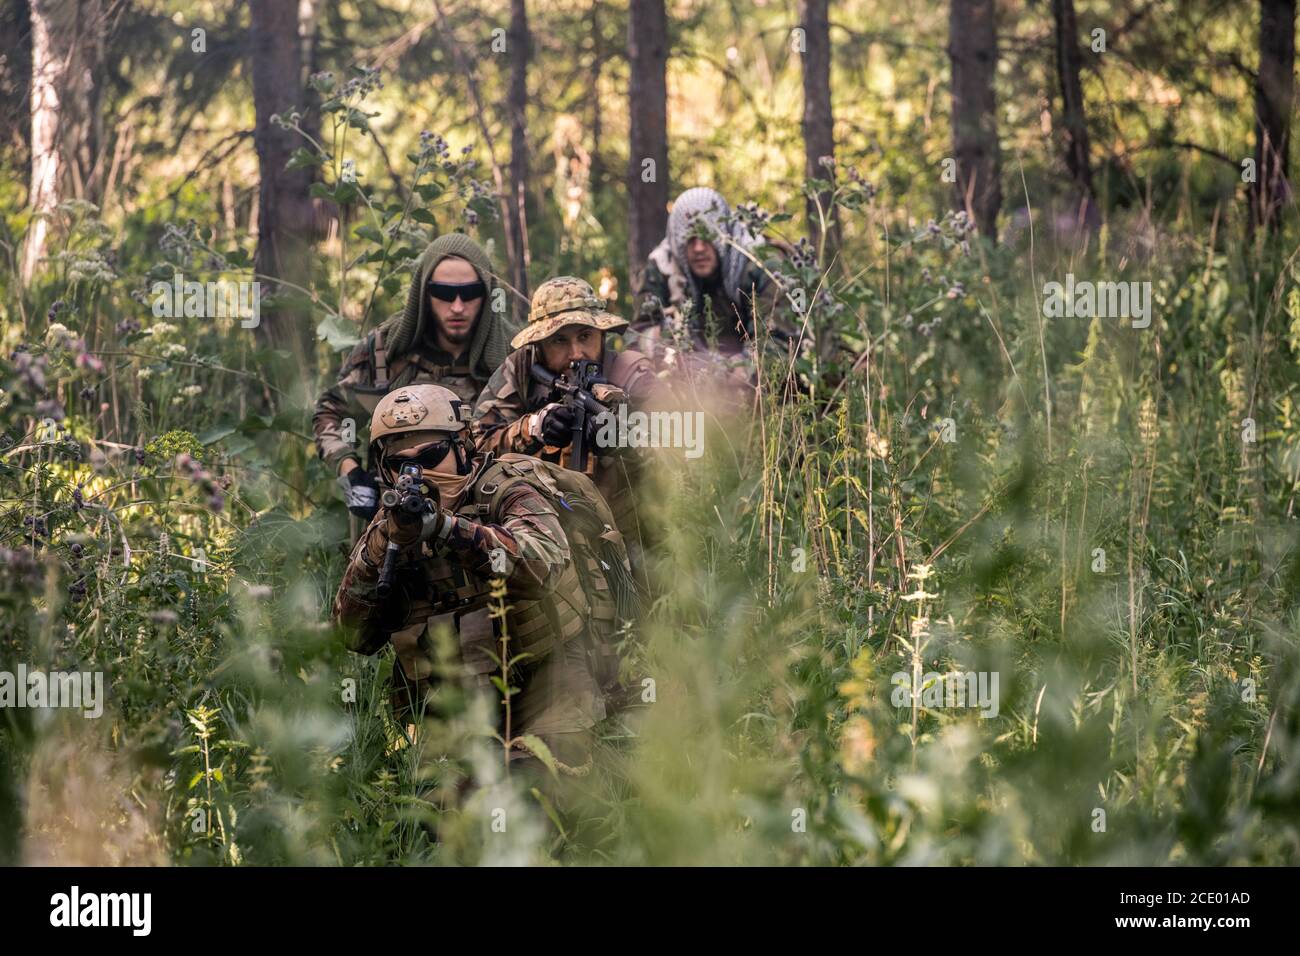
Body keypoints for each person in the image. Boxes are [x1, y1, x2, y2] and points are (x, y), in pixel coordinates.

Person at [332, 383, 631, 777]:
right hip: (450, 704)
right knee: (441, 819)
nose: (420, 473)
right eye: (401, 465)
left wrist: (447, 529)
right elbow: (352, 636)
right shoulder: (389, 527)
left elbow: (540, 566)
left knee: (539, 792)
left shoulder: (507, 488)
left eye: (433, 455)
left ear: (463, 447)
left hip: (544, 684)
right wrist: (378, 551)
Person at [313, 233, 516, 526]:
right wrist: (351, 471)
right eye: (444, 293)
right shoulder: (388, 348)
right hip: (399, 519)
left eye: (470, 292)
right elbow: (330, 411)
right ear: (423, 293)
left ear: (487, 293)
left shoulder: (515, 352)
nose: (457, 306)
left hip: (493, 520)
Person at [472, 276, 668, 577]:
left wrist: (624, 445)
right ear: (539, 344)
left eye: (585, 336)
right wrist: (532, 428)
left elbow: (682, 449)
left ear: (602, 334)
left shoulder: (631, 373)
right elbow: (476, 448)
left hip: (630, 531)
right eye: (559, 340)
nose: (575, 353)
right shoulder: (521, 371)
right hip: (544, 532)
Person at [629, 186, 800, 373]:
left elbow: (779, 345)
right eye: (690, 239)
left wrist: (732, 373)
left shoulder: (761, 263)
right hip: (686, 380)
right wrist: (667, 338)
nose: (699, 248)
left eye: (706, 236)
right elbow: (636, 339)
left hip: (758, 384)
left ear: (723, 234)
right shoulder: (664, 265)